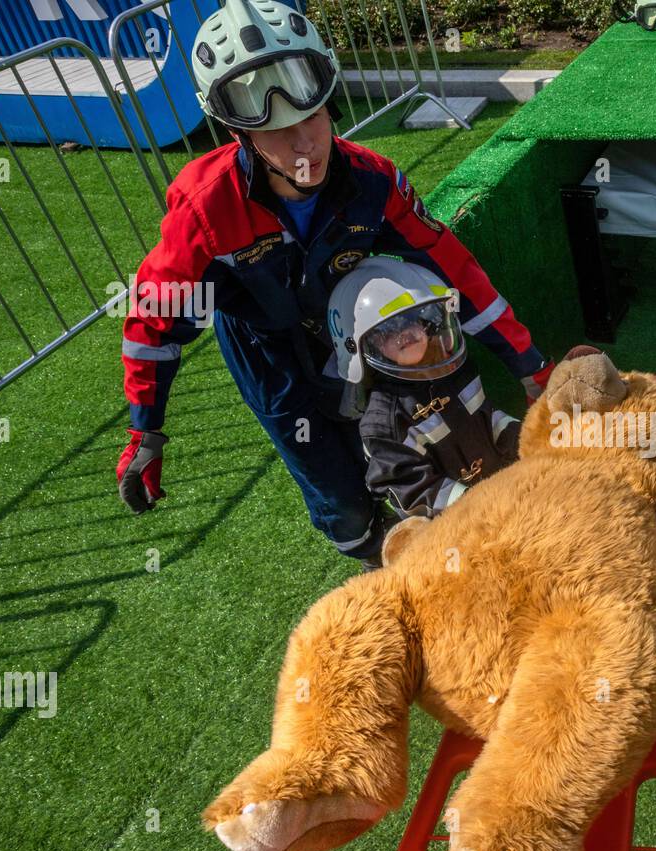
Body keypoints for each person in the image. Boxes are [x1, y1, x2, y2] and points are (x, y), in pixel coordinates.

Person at [115, 0, 552, 566]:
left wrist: (529, 363)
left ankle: (427, 538)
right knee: (336, 492)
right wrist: (145, 431)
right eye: (277, 130)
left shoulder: (374, 180)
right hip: (263, 349)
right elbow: (154, 322)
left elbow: (454, 270)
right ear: (237, 132)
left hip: (346, 330)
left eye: (314, 117)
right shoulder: (205, 209)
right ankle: (375, 559)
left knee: (385, 445)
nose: (305, 145)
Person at [326, 256, 521, 519]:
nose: (406, 331)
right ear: (359, 348)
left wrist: (523, 437)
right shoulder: (383, 424)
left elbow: (488, 417)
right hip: (456, 526)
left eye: (415, 319)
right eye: (389, 329)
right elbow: (413, 491)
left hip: (501, 497)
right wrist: (478, 503)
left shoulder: (457, 372)